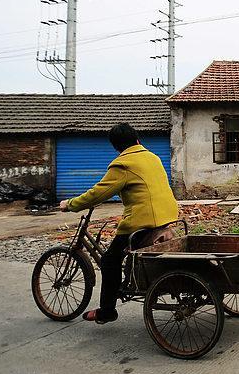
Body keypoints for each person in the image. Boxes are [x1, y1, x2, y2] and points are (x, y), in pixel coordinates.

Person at [59, 123, 178, 324]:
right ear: (137, 140)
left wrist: (70, 204)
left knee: (109, 261)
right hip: (168, 216)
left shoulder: (123, 164)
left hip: (143, 222)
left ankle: (107, 311)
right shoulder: (153, 157)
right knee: (124, 253)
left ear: (116, 147)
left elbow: (98, 193)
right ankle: (128, 279)